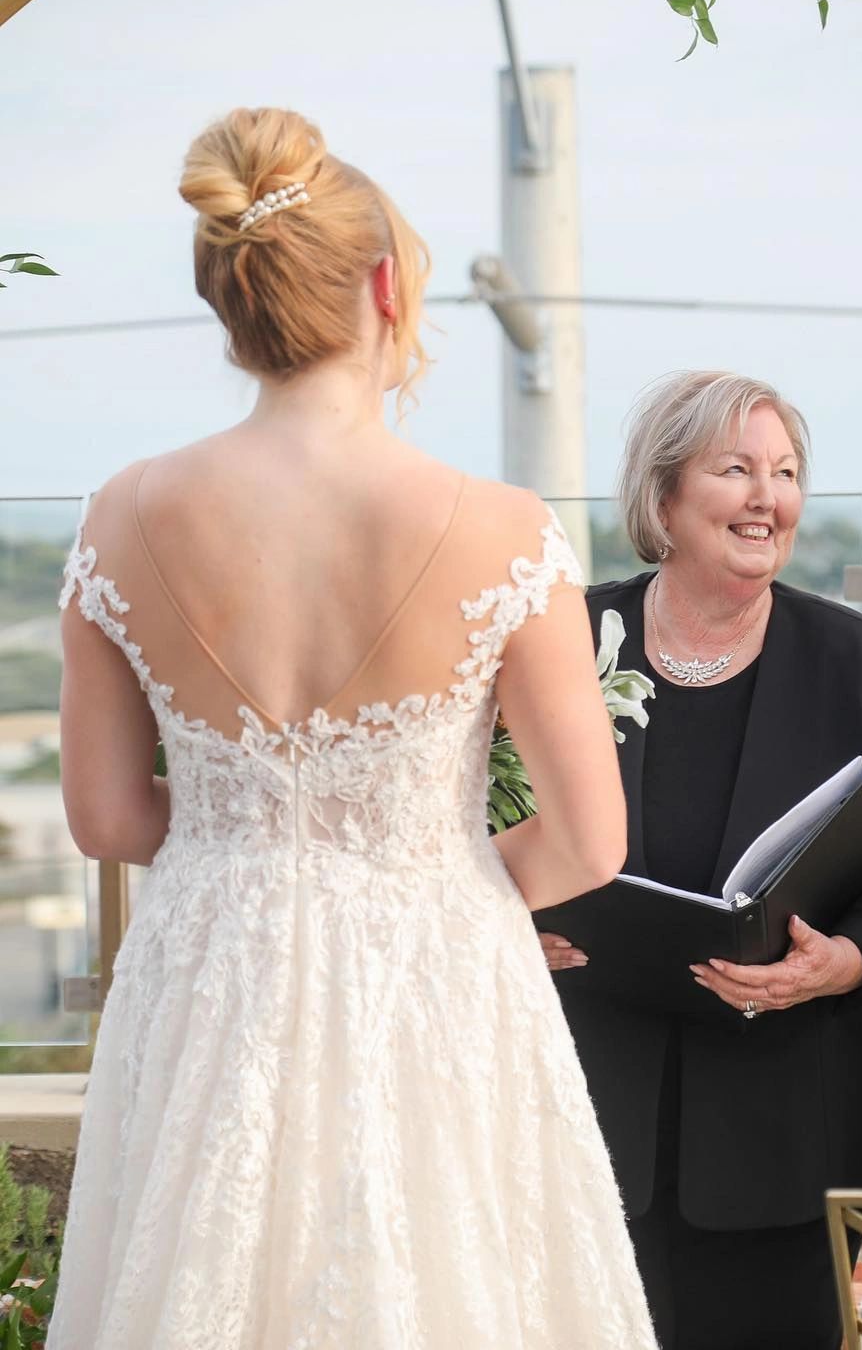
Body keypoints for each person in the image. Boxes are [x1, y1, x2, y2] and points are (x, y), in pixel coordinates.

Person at [48, 108, 657, 1350]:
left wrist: (241, 845)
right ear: (387, 286)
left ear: (233, 302)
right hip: (434, 978)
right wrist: (434, 882)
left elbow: (107, 817)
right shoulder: (499, 528)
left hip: (207, 974)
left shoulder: (123, 513)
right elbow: (592, 843)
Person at [537, 370, 862, 1350]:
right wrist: (517, 929)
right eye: (736, 470)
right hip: (588, 1097)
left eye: (785, 472)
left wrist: (847, 960)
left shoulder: (856, 656)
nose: (768, 497)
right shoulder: (566, 639)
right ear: (663, 498)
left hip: (791, 1112)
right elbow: (473, 833)